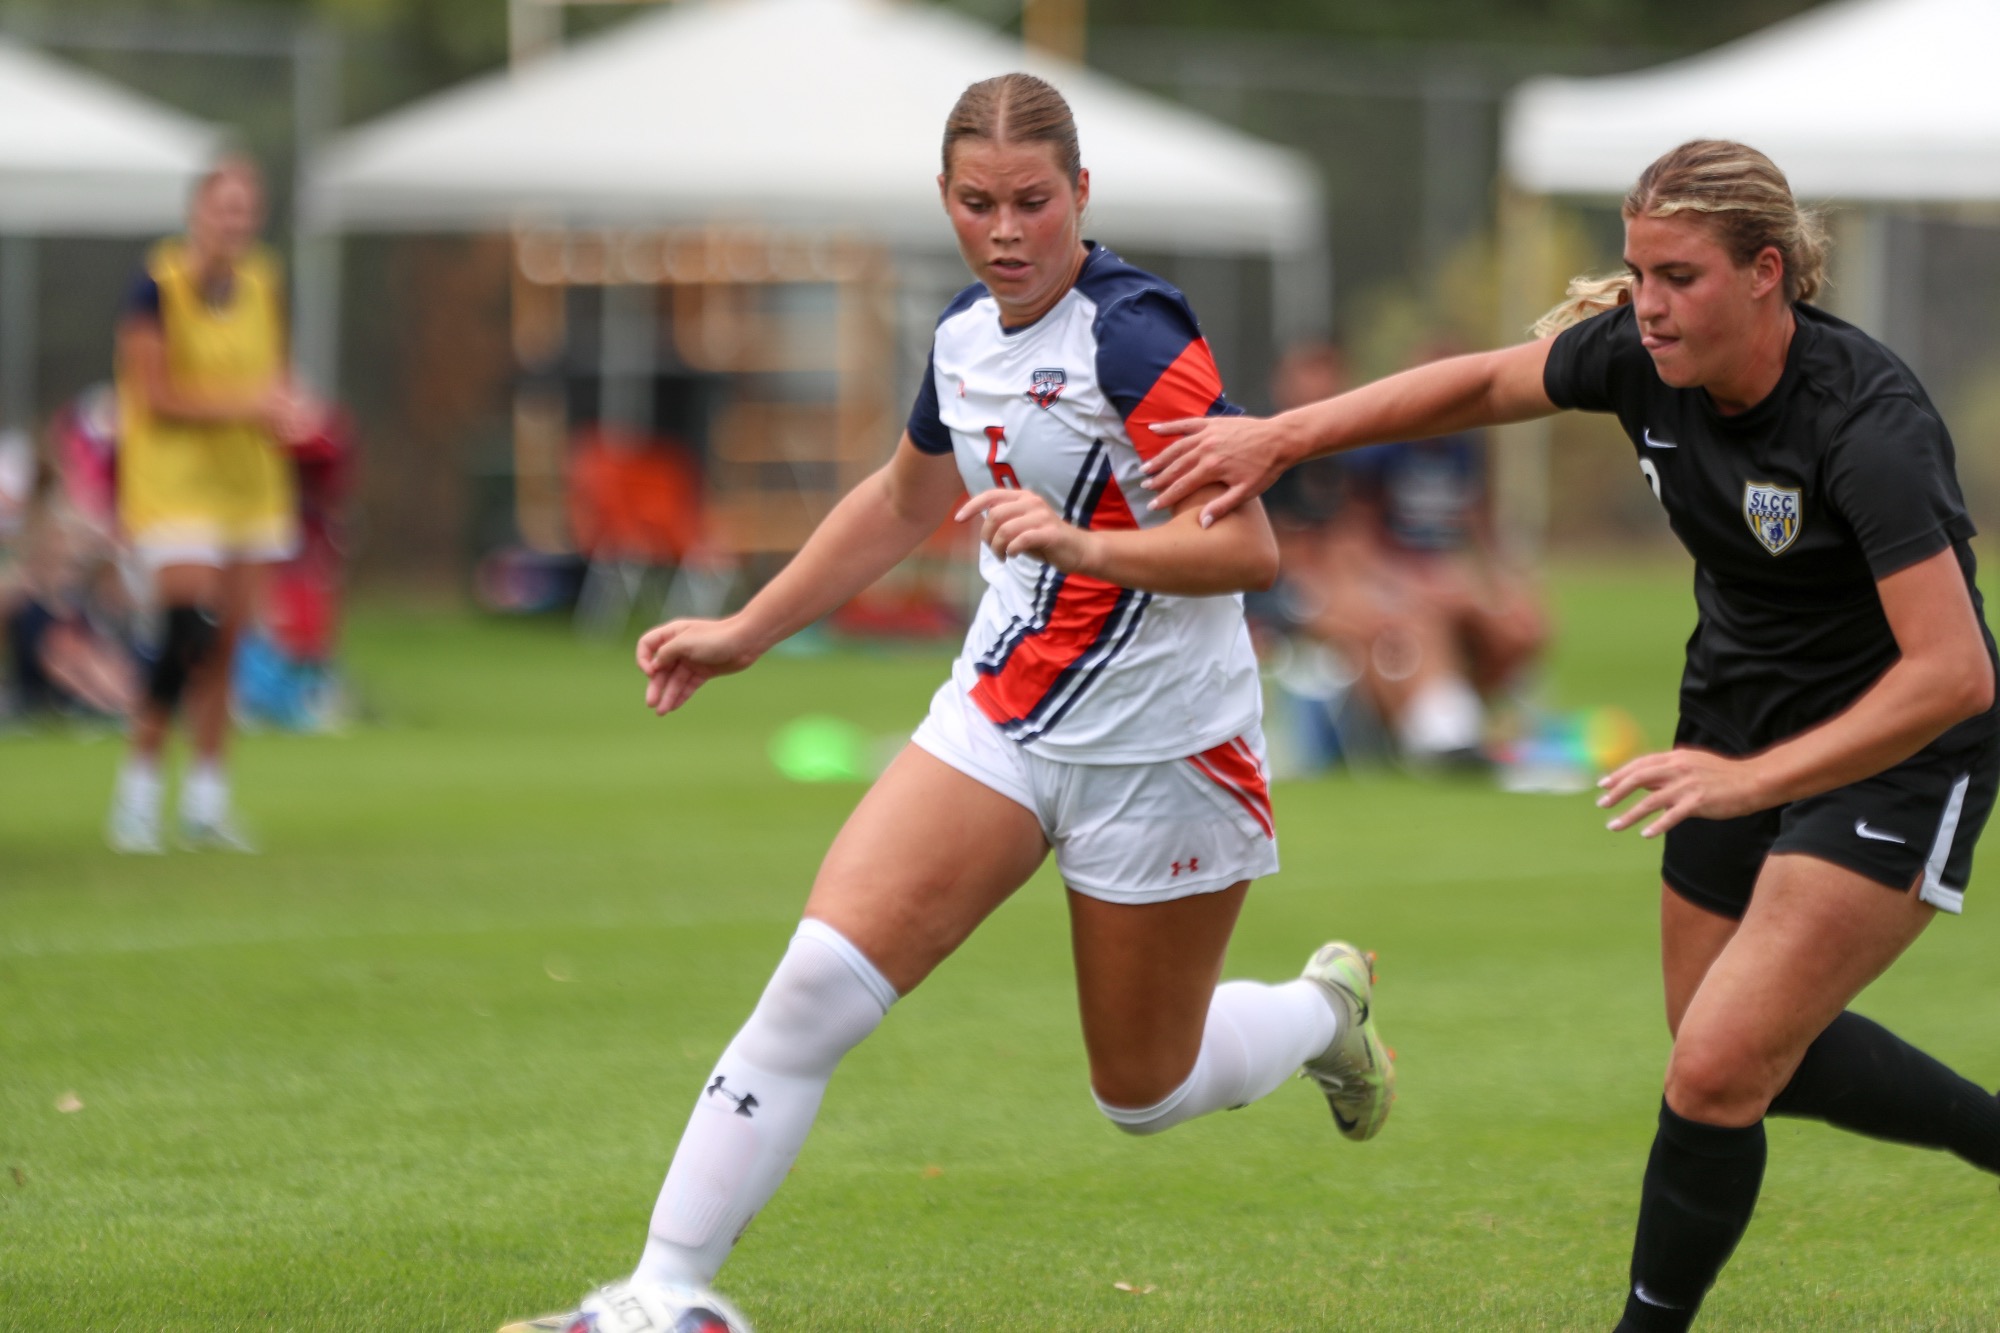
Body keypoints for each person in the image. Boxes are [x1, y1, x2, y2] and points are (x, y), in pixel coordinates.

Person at [502, 73, 1395, 1333]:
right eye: (978, 203)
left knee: (1142, 1089)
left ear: (1080, 196)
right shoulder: (963, 337)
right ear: (946, 202)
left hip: (1164, 751)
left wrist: (1083, 546)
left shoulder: (1132, 333)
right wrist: (746, 631)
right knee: (809, 986)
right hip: (1001, 721)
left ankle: (1321, 1012)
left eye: (1033, 201)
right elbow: (897, 501)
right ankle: (664, 1297)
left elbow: (1247, 551)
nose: (1007, 230)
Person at [1144, 138, 2000, 1330]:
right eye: (1634, 270)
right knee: (1736, 1048)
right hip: (1731, 730)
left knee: (1710, 1068)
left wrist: (1748, 778)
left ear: (1765, 273)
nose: (1645, 305)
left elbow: (1951, 673)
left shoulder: (1867, 423)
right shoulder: (1644, 362)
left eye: (1678, 276)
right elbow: (1480, 383)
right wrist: (1285, 435)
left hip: (1898, 751)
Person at [105, 155, 322, 853]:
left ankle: (205, 799)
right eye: (224, 206)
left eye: (246, 208)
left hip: (248, 485)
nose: (235, 220)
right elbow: (157, 394)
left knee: (227, 644)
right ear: (198, 210)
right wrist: (251, 404)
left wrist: (292, 406)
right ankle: (136, 794)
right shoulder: (156, 286)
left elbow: (273, 372)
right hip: (174, 484)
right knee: (184, 628)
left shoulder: (263, 281)